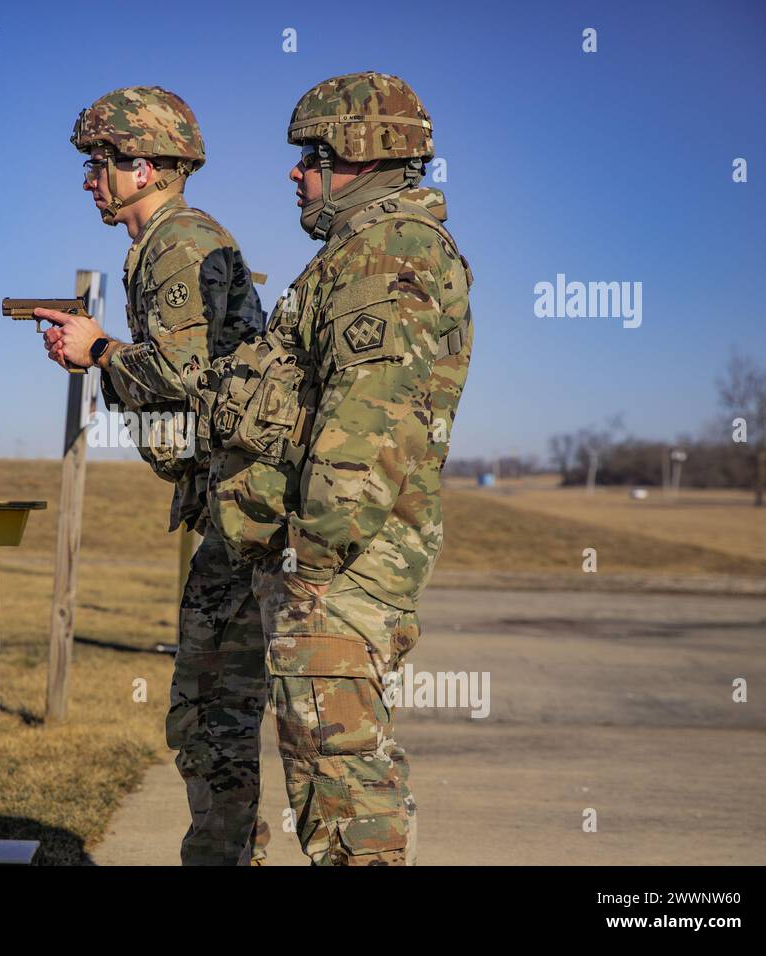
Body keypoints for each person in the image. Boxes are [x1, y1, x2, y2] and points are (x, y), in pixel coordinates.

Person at [204, 72, 474, 865]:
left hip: (340, 570)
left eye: (312, 155)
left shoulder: (386, 252)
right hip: (334, 566)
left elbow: (367, 424)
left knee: (342, 788)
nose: (297, 173)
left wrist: (310, 560)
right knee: (336, 778)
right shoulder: (361, 251)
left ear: (362, 156)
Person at [37, 86, 271, 865]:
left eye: (98, 163)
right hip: (235, 507)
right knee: (215, 713)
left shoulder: (177, 242)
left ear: (144, 166)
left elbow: (182, 375)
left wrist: (98, 352)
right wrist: (100, 356)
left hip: (248, 512)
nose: (88, 180)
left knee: (210, 713)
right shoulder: (166, 242)